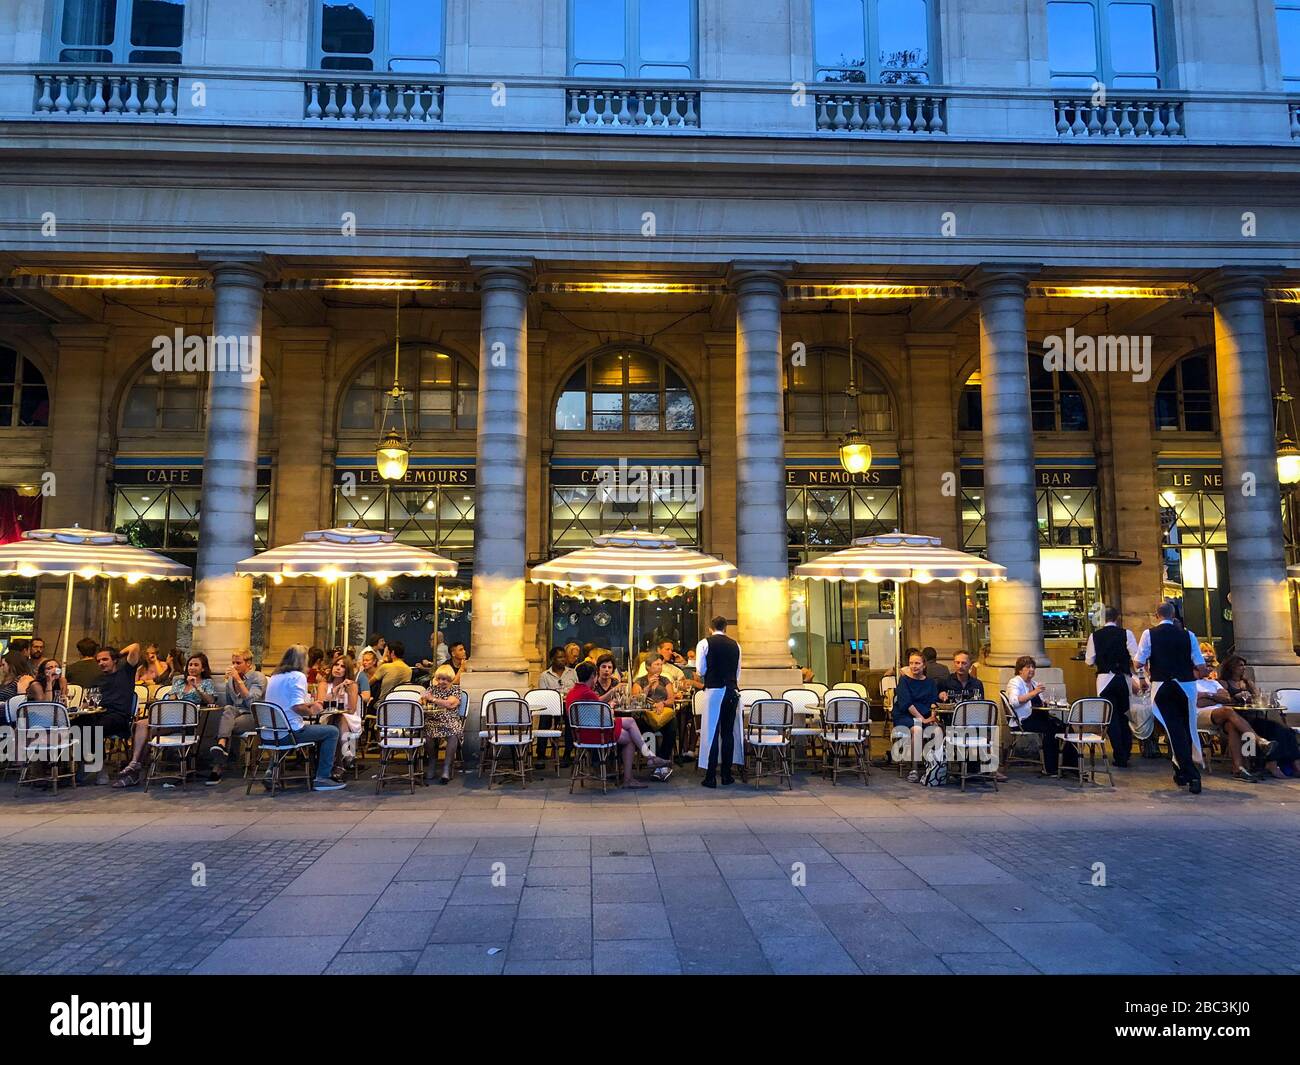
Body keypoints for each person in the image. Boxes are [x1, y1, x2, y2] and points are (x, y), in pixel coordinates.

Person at [565, 661, 671, 789]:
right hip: (596, 733)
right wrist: (609, 707)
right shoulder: (588, 693)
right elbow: (603, 716)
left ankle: (648, 759)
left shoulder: (573, 692)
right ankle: (639, 768)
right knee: (631, 732)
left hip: (582, 734)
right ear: (593, 676)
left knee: (630, 726)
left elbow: (593, 711)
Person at [1136, 601, 1204, 794]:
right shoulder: (1188, 635)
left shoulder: (1149, 634)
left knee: (1174, 730)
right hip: (1186, 686)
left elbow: (1139, 661)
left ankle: (1191, 774)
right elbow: (1201, 666)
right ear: (1174, 615)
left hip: (1162, 685)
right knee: (1187, 727)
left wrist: (1144, 673)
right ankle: (1181, 771)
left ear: (1156, 615)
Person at [262, 644, 345, 791]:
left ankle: (271, 772)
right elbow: (297, 707)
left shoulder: (275, 676)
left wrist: (308, 705)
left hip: (270, 733)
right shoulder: (298, 676)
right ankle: (322, 778)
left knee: (288, 728)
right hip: (290, 733)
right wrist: (314, 709)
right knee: (331, 731)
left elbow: (285, 703)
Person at [1218, 654, 1300, 779]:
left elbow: (1258, 697)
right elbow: (1223, 700)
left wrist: (1253, 695)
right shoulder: (1224, 683)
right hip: (1238, 719)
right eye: (1240, 665)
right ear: (1231, 667)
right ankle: (1271, 764)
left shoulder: (1246, 682)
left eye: (1244, 665)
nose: (1243, 668)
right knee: (1272, 731)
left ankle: (1295, 764)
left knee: (1286, 730)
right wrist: (1236, 697)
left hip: (1253, 716)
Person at [1085, 606, 1141, 768]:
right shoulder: (1126, 634)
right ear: (1117, 618)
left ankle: (1119, 754)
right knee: (1123, 714)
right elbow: (1135, 656)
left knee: (1111, 717)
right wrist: (1141, 676)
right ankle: (1127, 750)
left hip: (1104, 680)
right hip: (1123, 678)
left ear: (1102, 618)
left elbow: (1089, 660)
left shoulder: (1094, 636)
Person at [1005, 655, 1077, 778]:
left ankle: (1071, 766)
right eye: (1028, 667)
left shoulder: (1034, 683)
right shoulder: (1015, 682)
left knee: (1066, 727)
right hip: (1024, 720)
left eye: (1033, 667)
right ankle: (1050, 768)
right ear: (1020, 669)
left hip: (1039, 716)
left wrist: (1049, 702)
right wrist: (1034, 692)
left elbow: (1039, 702)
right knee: (1051, 730)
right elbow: (1014, 701)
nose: (1031, 669)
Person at [1193, 664, 1264, 781]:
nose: (1211, 669)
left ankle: (1239, 768)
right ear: (1197, 666)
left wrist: (1206, 696)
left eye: (1212, 666)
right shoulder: (1191, 683)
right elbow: (1199, 704)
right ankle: (1258, 740)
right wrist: (1215, 697)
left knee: (1233, 725)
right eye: (1207, 666)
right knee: (1228, 711)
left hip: (1219, 715)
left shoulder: (1213, 683)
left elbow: (1227, 699)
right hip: (1199, 716)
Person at [696, 616, 743, 788]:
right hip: (731, 690)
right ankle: (726, 775)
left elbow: (701, 670)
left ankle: (710, 776)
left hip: (714, 690)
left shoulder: (704, 643)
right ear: (726, 628)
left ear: (710, 628)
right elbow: (738, 672)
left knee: (712, 732)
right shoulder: (736, 645)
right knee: (728, 732)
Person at [208, 649, 267, 784]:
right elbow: (230, 704)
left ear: (248, 663)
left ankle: (218, 766)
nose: (234, 666)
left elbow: (252, 703)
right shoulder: (230, 680)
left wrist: (239, 680)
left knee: (225, 726)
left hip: (254, 716)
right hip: (236, 714)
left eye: (238, 662)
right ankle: (221, 746)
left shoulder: (258, 677)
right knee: (228, 709)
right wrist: (233, 679)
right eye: (233, 662)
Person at [893, 650, 942, 782]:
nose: (914, 666)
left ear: (924, 665)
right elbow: (907, 704)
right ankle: (914, 768)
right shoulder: (904, 681)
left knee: (937, 730)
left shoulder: (930, 682)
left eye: (917, 663)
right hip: (906, 715)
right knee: (918, 729)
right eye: (911, 663)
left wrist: (932, 717)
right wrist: (923, 719)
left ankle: (935, 767)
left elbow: (933, 702)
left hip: (925, 714)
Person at [631, 655, 678, 778]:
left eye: (661, 664)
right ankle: (655, 761)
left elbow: (671, 699)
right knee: (645, 729)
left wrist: (662, 703)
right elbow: (635, 700)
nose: (659, 667)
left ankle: (662, 762)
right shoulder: (639, 681)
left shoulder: (665, 680)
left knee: (672, 726)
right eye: (656, 664)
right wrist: (647, 688)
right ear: (648, 667)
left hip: (662, 715)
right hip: (646, 715)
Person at [316, 656, 362, 771]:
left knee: (339, 718)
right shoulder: (324, 684)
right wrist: (337, 689)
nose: (338, 668)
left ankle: (336, 764)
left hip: (349, 718)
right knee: (334, 719)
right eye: (336, 665)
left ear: (347, 670)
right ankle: (346, 757)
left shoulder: (352, 685)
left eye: (342, 666)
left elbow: (351, 709)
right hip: (327, 717)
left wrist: (347, 689)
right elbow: (321, 706)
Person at [422, 664, 464, 784]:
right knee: (426, 733)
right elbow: (423, 699)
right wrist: (423, 699)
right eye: (439, 679)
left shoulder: (455, 689)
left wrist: (433, 699)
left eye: (445, 679)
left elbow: (450, 704)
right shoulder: (432, 689)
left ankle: (446, 767)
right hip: (432, 720)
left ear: (450, 679)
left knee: (453, 731)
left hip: (449, 720)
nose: (441, 682)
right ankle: (432, 762)